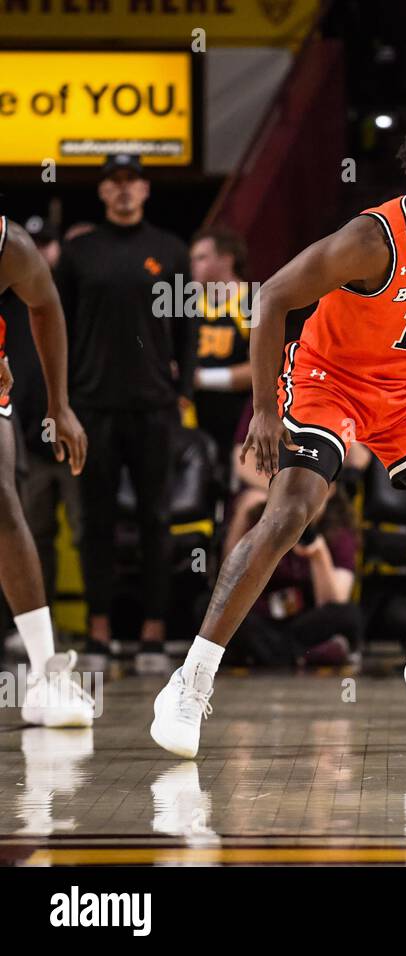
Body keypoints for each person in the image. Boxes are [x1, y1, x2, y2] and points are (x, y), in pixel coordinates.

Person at [148, 104, 406, 760]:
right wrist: (269, 410)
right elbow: (271, 295)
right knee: (291, 514)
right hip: (328, 382)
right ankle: (191, 680)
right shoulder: (372, 240)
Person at [55, 154, 194, 675]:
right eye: (113, 182)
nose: (123, 191)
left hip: (155, 407)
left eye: (131, 181)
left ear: (145, 189)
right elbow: (57, 327)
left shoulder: (171, 251)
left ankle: (154, 635)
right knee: (96, 523)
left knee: (156, 520)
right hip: (92, 406)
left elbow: (189, 332)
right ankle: (99, 634)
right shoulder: (76, 254)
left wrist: (180, 393)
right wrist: (62, 399)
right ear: (102, 192)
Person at [0, 216, 93, 727]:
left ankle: (44, 673)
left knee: (3, 499)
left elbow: (45, 303)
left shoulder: (8, 244)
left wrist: (59, 405)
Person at [223, 485, 362, 668]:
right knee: (213, 606)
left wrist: (319, 556)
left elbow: (333, 602)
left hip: (305, 621)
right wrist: (243, 514)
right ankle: (304, 655)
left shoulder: (339, 532)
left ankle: (272, 656)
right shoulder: (262, 518)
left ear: (330, 491)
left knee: (349, 615)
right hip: (263, 617)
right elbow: (230, 580)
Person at [189, 226, 253, 476]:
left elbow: (262, 371)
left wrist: (199, 379)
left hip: (239, 419)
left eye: (201, 257)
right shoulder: (187, 303)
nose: (193, 264)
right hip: (194, 419)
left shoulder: (254, 301)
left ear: (227, 259)